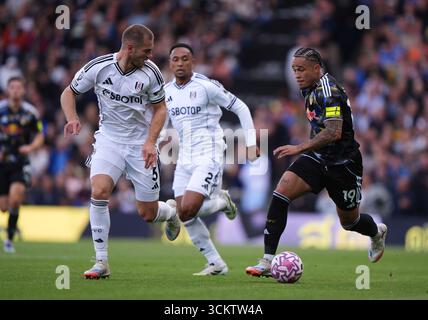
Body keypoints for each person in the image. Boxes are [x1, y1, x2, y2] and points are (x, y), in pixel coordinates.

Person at [246, 47, 388, 277]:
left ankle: (375, 233)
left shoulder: (329, 90)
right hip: (318, 157)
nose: (297, 74)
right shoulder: (308, 88)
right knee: (282, 191)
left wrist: (299, 147)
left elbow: (333, 131)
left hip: (344, 164)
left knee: (349, 222)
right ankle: (267, 260)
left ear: (316, 68)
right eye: (294, 70)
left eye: (301, 69)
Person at [60, 24, 180, 279]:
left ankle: (170, 212)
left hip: (140, 144)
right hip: (109, 141)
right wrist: (72, 117)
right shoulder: (98, 67)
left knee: (147, 213)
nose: (151, 55)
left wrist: (150, 142)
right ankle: (101, 262)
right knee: (99, 190)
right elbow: (69, 92)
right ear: (130, 48)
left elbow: (160, 110)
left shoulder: (152, 74)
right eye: (146, 50)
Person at [165, 43, 259, 275]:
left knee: (186, 209)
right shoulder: (166, 91)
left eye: (185, 59)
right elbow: (162, 120)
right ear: (170, 63)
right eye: (175, 59)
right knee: (185, 215)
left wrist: (251, 142)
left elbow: (241, 107)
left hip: (209, 152)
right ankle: (216, 263)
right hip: (184, 156)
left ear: (193, 61)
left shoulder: (206, 86)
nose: (180, 63)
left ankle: (222, 201)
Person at [0, 76, 44, 253]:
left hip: (20, 162)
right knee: (3, 207)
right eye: (13, 88)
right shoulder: (1, 110)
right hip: (2, 162)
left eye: (19, 87)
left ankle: (9, 240)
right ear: (8, 90)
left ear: (24, 91)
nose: (16, 91)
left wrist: (31, 147)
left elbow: (40, 134)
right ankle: (11, 228)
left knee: (16, 199)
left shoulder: (30, 113)